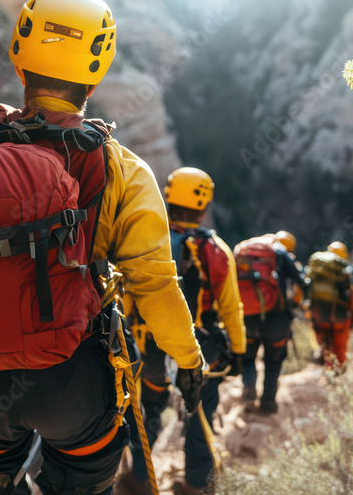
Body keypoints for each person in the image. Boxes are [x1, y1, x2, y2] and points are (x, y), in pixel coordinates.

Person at [0, 0, 205, 495]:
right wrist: (188, 362)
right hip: (76, 380)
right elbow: (156, 287)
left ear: (18, 56)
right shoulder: (123, 170)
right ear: (96, 72)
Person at [121, 167, 246, 495]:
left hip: (149, 348)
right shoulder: (216, 250)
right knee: (200, 417)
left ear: (168, 196)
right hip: (199, 349)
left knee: (146, 413)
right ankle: (195, 486)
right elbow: (231, 307)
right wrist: (241, 350)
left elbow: (129, 295)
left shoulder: (149, 240)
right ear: (204, 206)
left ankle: (140, 479)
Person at [236, 230, 304, 413]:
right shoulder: (280, 252)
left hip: (247, 317)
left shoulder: (244, 251)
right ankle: (267, 402)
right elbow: (300, 280)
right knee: (273, 362)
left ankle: (249, 390)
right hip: (276, 319)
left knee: (249, 358)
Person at [305, 241, 353, 370]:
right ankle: (339, 375)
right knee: (340, 347)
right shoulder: (347, 269)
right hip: (339, 316)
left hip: (319, 315)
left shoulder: (318, 268)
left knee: (325, 345)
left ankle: (328, 371)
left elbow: (306, 290)